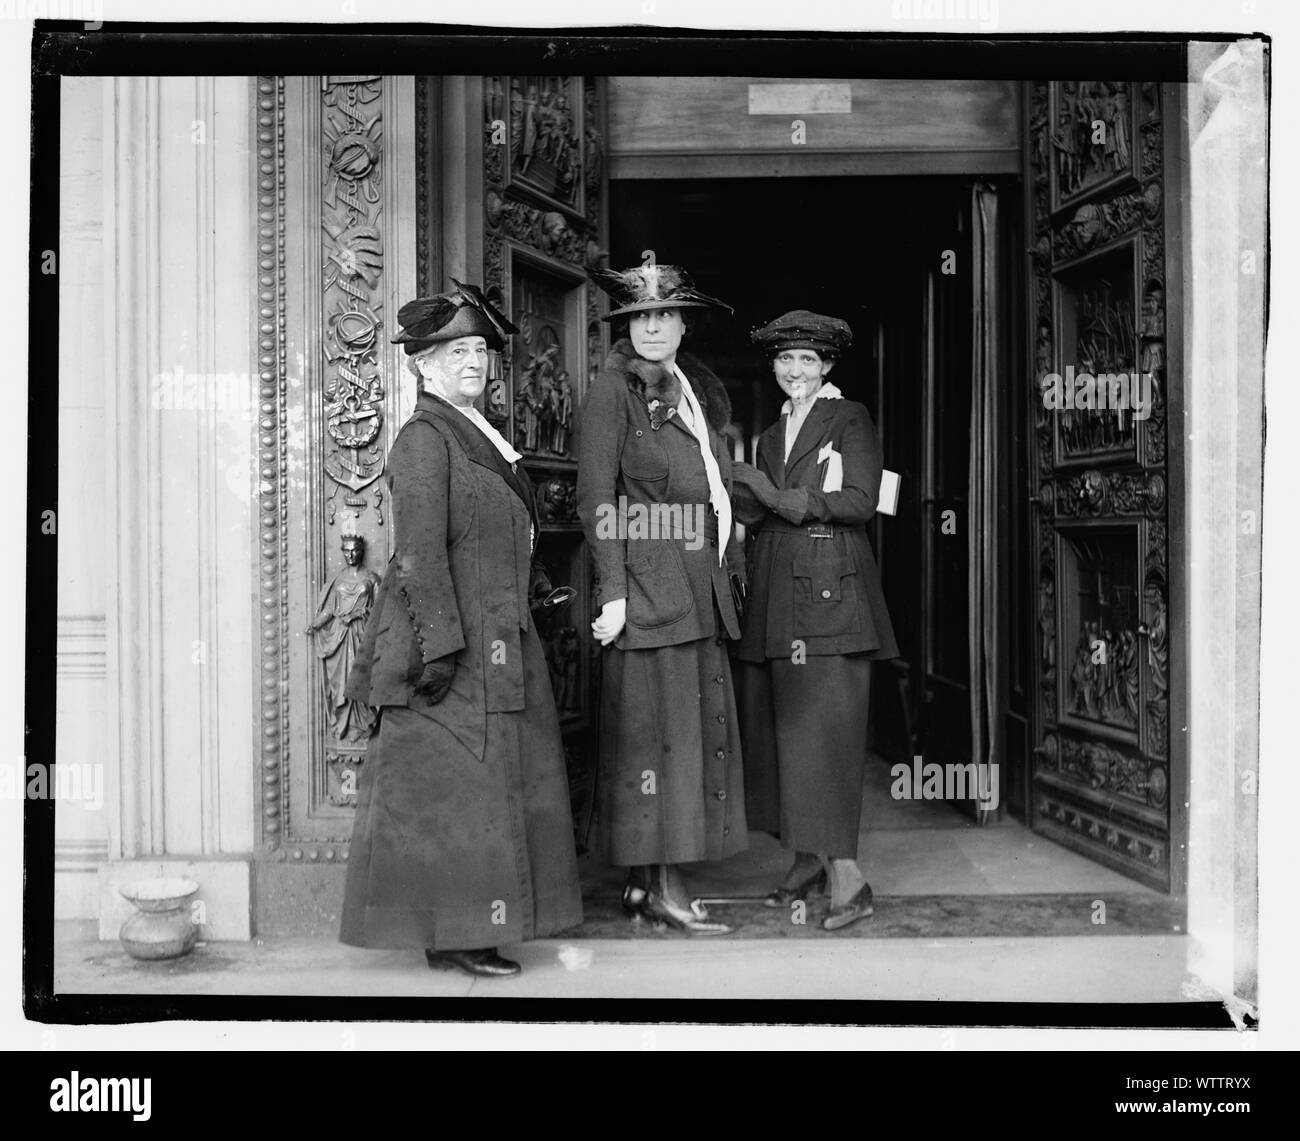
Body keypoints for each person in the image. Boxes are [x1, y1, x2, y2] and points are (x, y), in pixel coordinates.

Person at [339, 281, 583, 977]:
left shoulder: (479, 436)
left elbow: (495, 533)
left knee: (488, 785)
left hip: (499, 636)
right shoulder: (424, 439)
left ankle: (471, 930)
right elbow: (417, 553)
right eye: (455, 351)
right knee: (457, 789)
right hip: (450, 646)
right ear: (422, 363)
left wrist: (538, 592)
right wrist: (441, 649)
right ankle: (457, 934)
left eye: (479, 349)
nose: (473, 361)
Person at [578, 262, 748, 934]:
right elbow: (597, 500)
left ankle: (645, 887)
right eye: (639, 318)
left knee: (678, 738)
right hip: (648, 595)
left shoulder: (687, 388)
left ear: (682, 323)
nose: (652, 327)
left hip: (693, 590)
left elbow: (709, 479)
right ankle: (664, 887)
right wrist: (614, 594)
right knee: (659, 746)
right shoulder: (611, 391)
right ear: (627, 326)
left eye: (664, 315)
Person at [730, 309, 899, 932]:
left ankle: (849, 879)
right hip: (779, 590)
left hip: (831, 593)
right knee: (785, 731)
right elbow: (764, 506)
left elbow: (859, 500)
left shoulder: (848, 416)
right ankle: (806, 861)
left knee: (827, 734)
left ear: (826, 366)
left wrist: (779, 499)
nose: (794, 370)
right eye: (784, 360)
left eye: (807, 359)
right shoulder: (773, 433)